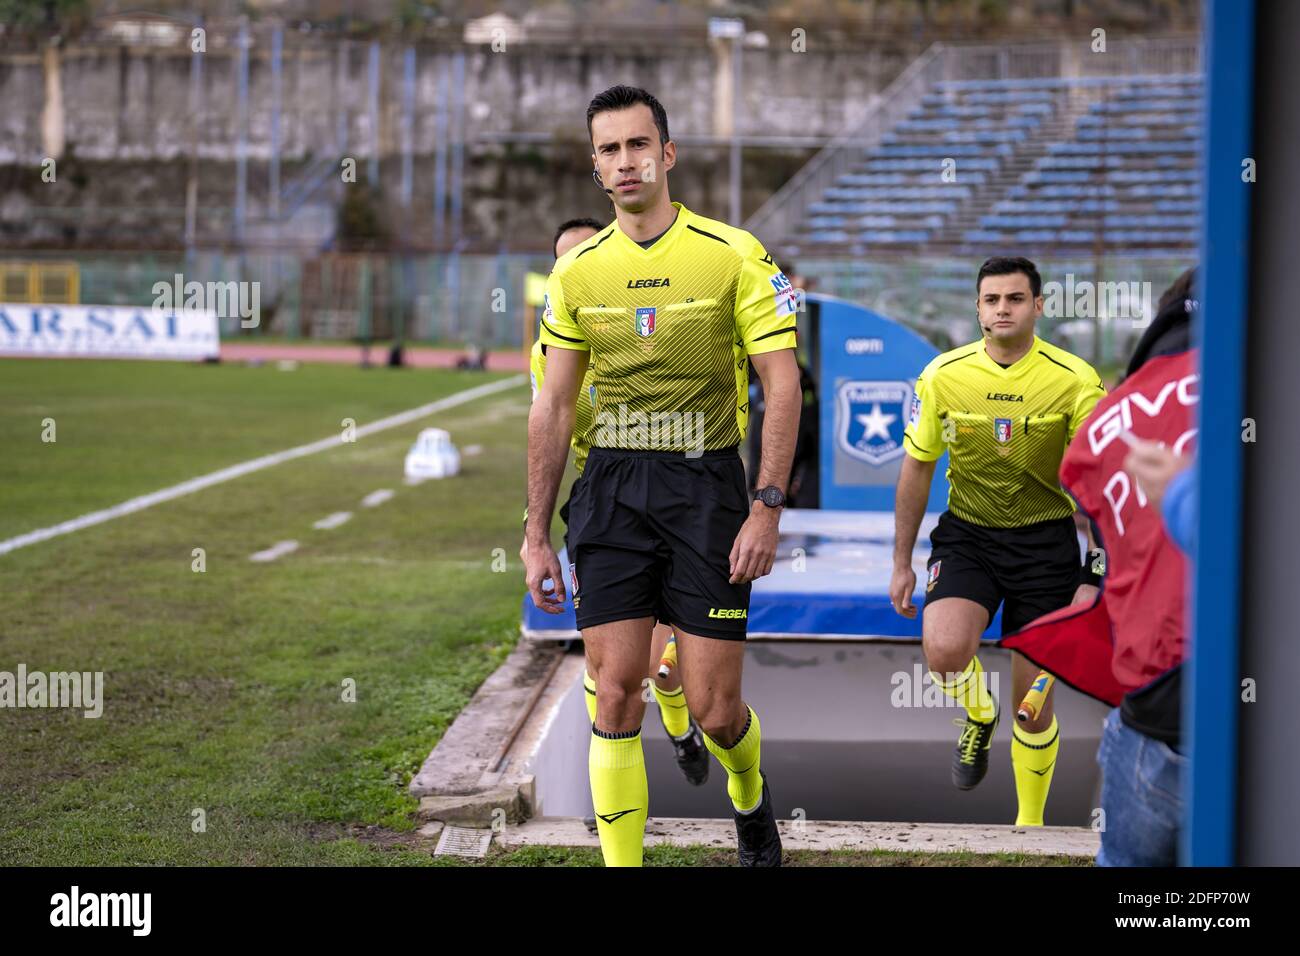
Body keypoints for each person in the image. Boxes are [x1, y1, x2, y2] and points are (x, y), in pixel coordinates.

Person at [524, 85, 802, 866]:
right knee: (615, 690)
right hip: (611, 488)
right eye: (609, 150)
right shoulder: (577, 274)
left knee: (715, 711)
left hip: (706, 487)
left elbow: (782, 383)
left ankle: (749, 798)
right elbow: (552, 406)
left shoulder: (733, 253)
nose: (625, 162)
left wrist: (767, 506)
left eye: (637, 145)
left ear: (667, 154)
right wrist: (533, 534)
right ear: (595, 168)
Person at [890, 256, 1106, 826]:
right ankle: (978, 716)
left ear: (1038, 306)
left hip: (1046, 547)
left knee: (1033, 710)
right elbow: (916, 468)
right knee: (942, 652)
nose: (1002, 309)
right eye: (992, 300)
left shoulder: (1075, 379)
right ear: (978, 307)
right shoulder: (942, 374)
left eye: (1015, 299)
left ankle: (1028, 828)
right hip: (969, 538)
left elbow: (1105, 480)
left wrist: (1096, 573)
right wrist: (900, 562)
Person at [523, 216, 709, 790]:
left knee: (668, 663)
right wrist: (534, 529)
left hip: (685, 496)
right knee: (609, 664)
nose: (576, 268)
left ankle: (683, 731)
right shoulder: (550, 355)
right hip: (603, 507)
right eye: (563, 262)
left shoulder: (661, 326)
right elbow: (548, 433)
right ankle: (623, 779)